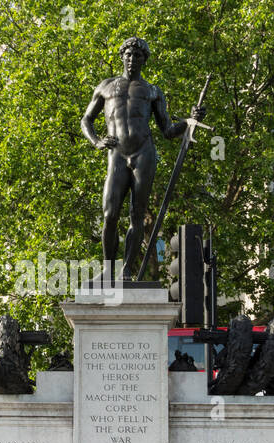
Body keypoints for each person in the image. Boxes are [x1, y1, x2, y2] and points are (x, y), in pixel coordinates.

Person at [80, 37, 204, 278]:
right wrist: (97, 141)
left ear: (144, 60)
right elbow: (86, 120)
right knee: (110, 213)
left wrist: (190, 121)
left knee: (138, 214)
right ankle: (108, 270)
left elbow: (167, 130)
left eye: (137, 56)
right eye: (128, 54)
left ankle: (126, 271)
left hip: (143, 154)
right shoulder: (105, 87)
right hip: (116, 153)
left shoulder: (152, 91)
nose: (132, 59)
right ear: (122, 57)